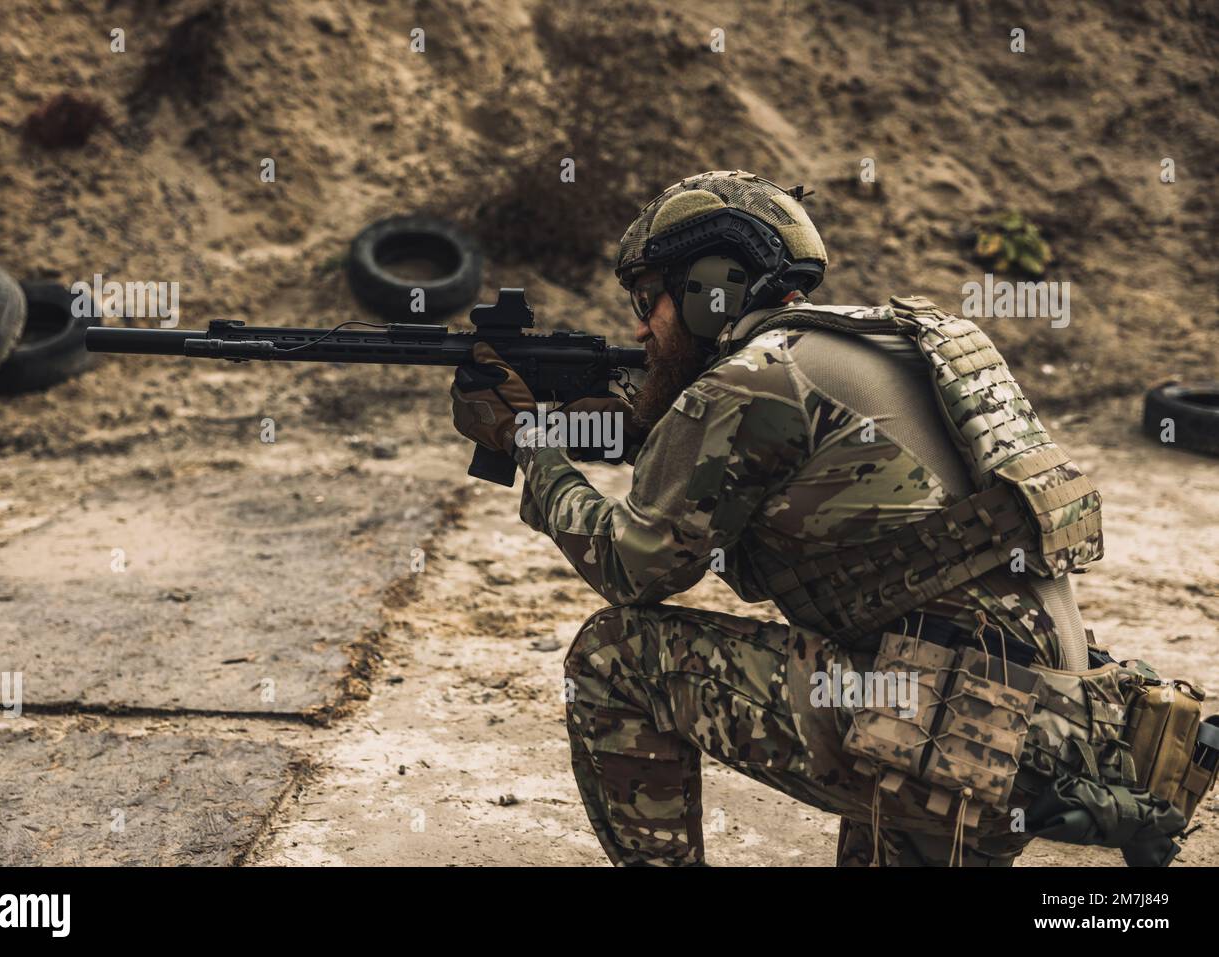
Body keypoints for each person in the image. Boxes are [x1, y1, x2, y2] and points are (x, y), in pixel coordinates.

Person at [449, 170, 1196, 866]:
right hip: (1024, 731)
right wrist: (608, 423)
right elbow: (753, 464)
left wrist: (531, 446)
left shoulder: (754, 379)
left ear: (712, 287)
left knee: (616, 657)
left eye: (648, 299)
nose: (641, 329)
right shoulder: (868, 344)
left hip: (950, 729)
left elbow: (630, 566)